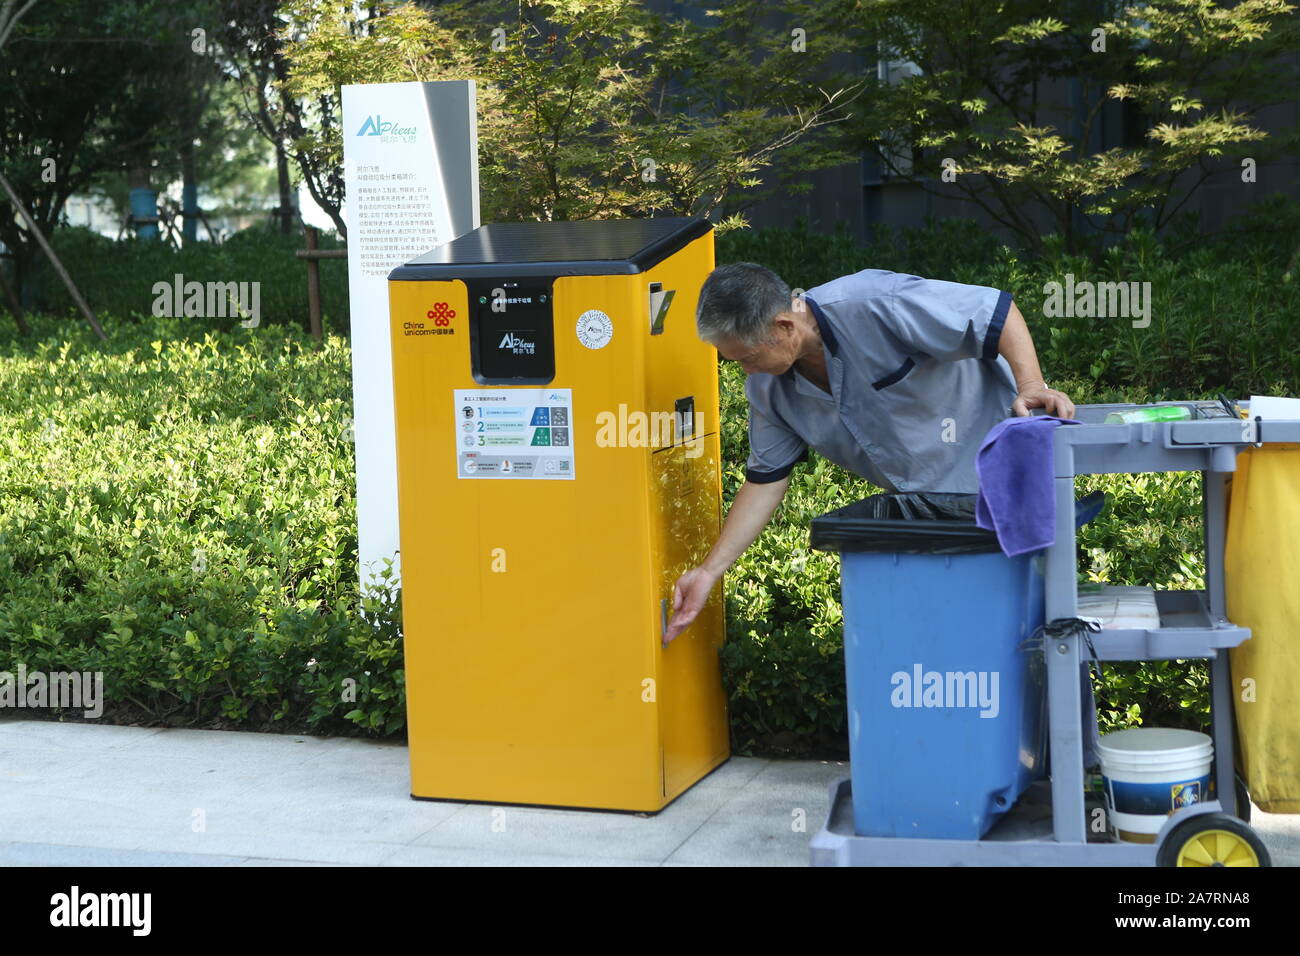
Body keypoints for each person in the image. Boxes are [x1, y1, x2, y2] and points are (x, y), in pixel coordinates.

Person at [664, 262, 1075, 643]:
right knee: (943, 649)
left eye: (748, 357)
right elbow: (765, 480)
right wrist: (708, 572)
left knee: (1026, 641)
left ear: (785, 324)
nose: (745, 372)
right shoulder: (768, 389)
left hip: (1005, 495)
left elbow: (995, 312)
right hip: (922, 520)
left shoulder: (875, 303)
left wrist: (1032, 385)